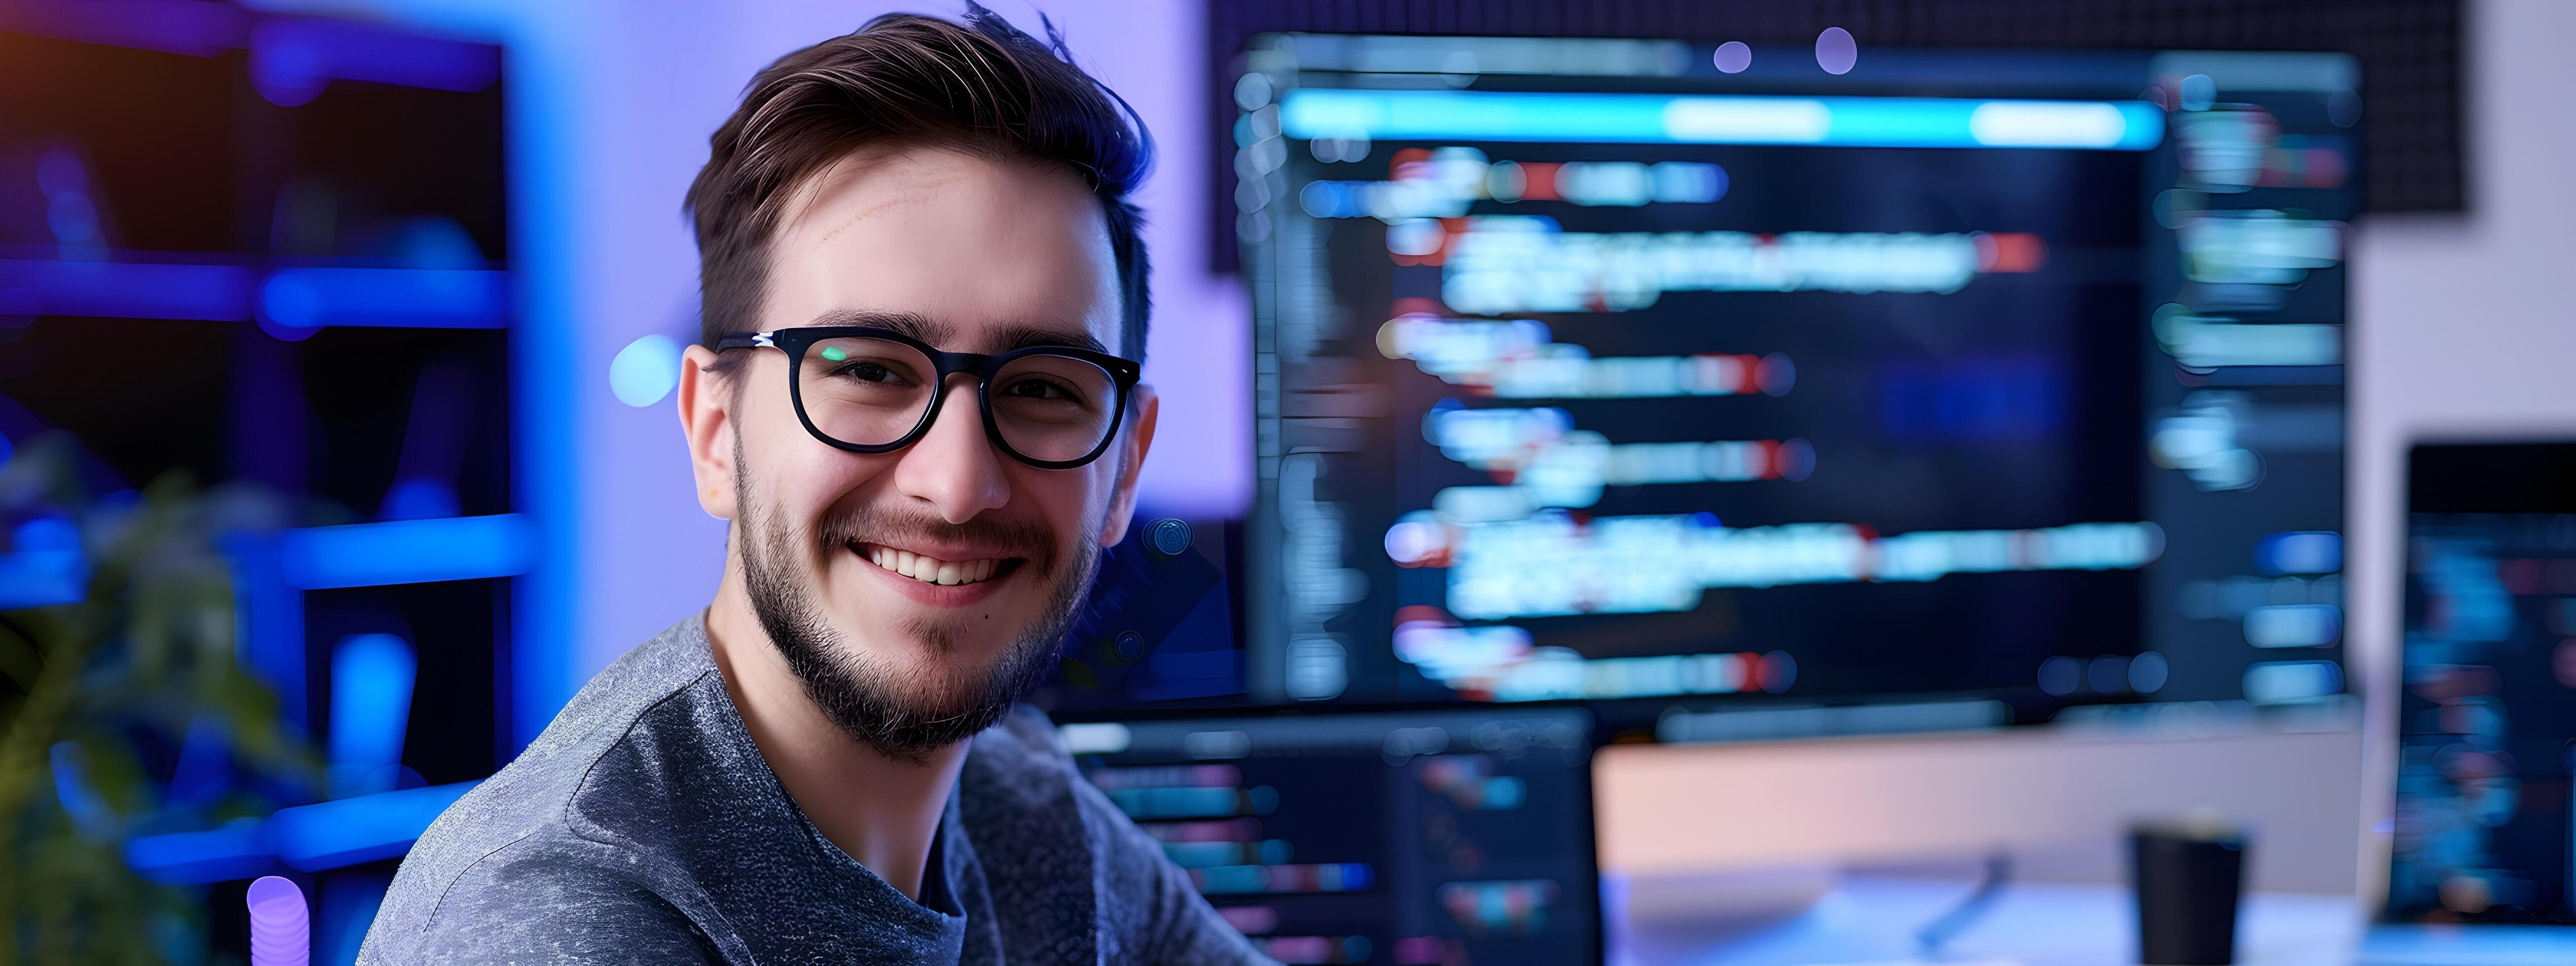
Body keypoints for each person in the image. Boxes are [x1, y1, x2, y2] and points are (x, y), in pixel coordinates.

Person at [360, 7, 1269, 964]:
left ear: (1124, 464)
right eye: (871, 371)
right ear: (716, 433)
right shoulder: (564, 916)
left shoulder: (1025, 809)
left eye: (1043, 388)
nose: (958, 485)